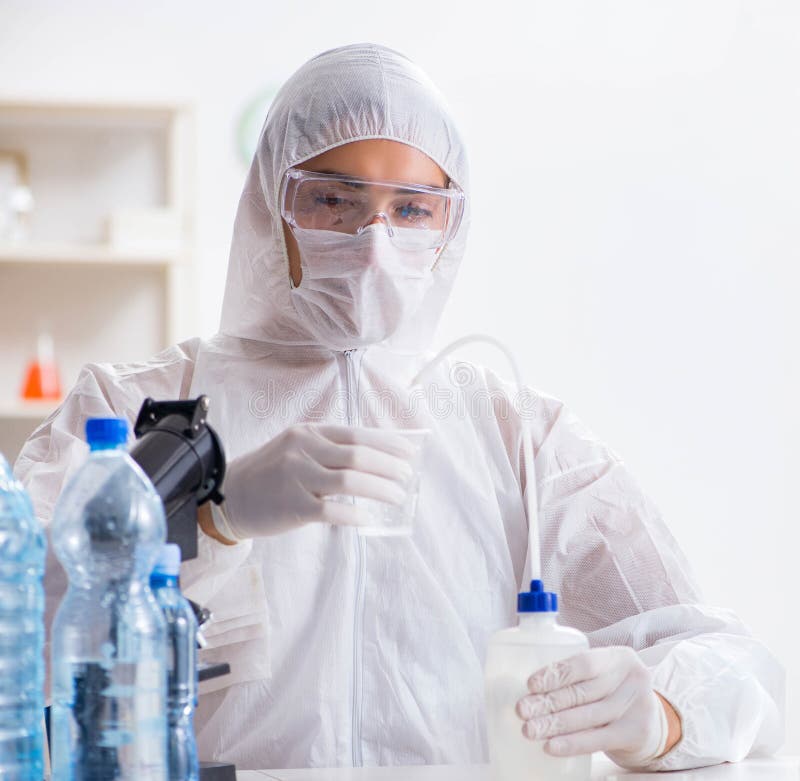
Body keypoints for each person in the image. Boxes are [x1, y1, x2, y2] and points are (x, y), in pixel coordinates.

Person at [15, 43, 783, 772]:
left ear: (452, 222)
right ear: (271, 204)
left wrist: (661, 712)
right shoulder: (130, 404)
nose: (373, 241)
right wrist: (209, 518)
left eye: (411, 209)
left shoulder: (517, 436)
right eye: (331, 199)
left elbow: (736, 661)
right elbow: (21, 633)